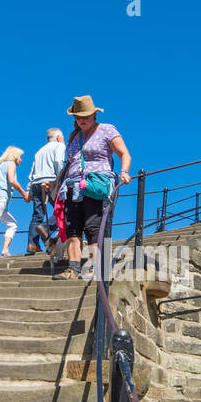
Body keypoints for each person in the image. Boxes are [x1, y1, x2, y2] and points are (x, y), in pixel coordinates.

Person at [52, 96, 132, 281]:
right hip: (72, 186)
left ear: (94, 114)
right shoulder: (73, 136)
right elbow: (69, 163)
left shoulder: (107, 130)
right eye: (78, 116)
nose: (82, 119)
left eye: (86, 115)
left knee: (93, 227)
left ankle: (99, 270)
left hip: (96, 184)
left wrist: (124, 171)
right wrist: (56, 183)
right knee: (72, 228)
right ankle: (73, 269)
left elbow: (124, 153)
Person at [26, 128, 65, 254]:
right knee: (63, 210)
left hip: (36, 183)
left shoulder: (39, 151)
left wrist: (29, 189)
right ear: (58, 137)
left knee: (37, 215)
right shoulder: (59, 146)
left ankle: (32, 245)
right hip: (50, 182)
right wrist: (60, 180)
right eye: (62, 137)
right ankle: (46, 228)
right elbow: (58, 162)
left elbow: (32, 171)